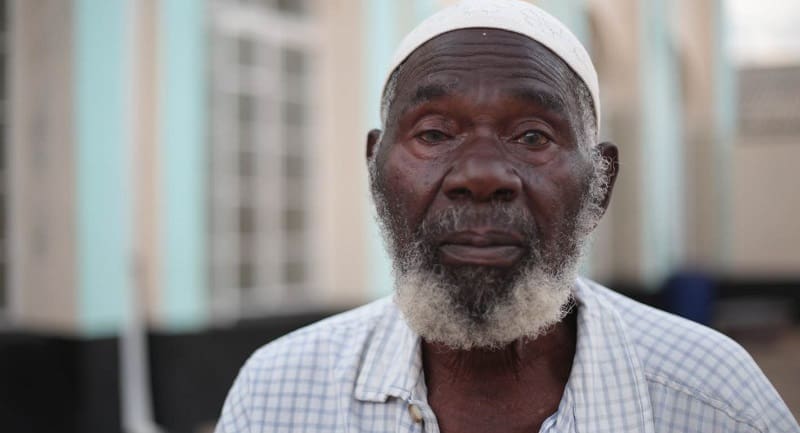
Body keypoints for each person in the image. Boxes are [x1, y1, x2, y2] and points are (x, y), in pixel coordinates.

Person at [215, 1, 799, 432]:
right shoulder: (278, 395)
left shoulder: (714, 399)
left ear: (600, 185)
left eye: (532, 135)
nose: (481, 175)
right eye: (434, 133)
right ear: (375, 170)